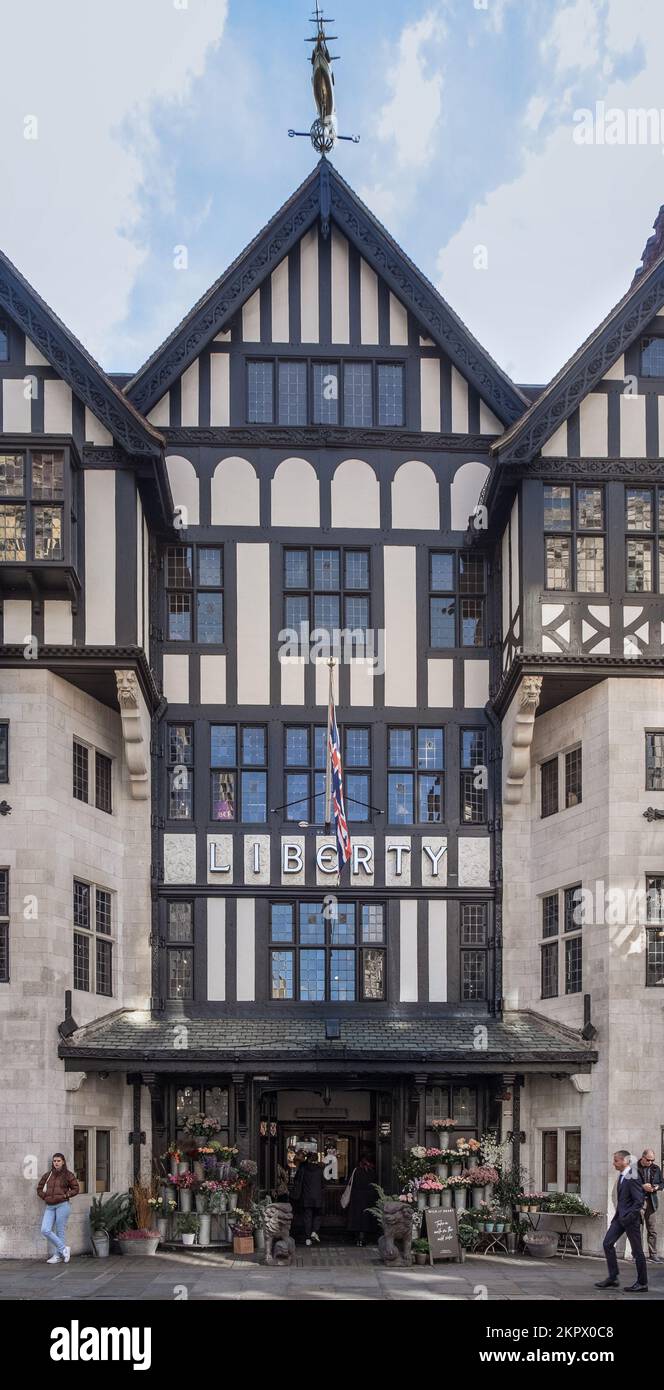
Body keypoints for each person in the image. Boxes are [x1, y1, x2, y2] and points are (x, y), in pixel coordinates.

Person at [595, 1150, 648, 1292]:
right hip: (620, 1218)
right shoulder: (622, 1175)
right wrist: (620, 1216)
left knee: (637, 1252)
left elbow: (639, 1201)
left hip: (630, 1219)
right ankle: (613, 1278)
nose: (614, 1163)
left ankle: (642, 1283)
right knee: (607, 1243)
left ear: (626, 1161)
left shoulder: (633, 1176)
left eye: (616, 1160)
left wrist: (629, 1216)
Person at [36, 1152, 79, 1264]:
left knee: (60, 1231)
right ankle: (64, 1249)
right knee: (45, 1229)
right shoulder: (47, 1175)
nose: (56, 1163)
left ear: (63, 1162)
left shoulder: (68, 1175)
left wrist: (66, 1195)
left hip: (62, 1205)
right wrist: (45, 1197)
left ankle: (58, 1255)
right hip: (49, 1206)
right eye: (54, 1161)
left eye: (58, 1161)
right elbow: (39, 1188)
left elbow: (76, 1188)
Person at [345, 1149, 378, 1247]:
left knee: (357, 1218)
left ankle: (358, 1239)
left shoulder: (356, 1170)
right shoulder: (372, 1171)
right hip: (368, 1198)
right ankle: (363, 1238)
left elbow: (351, 1183)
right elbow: (374, 1185)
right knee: (365, 1219)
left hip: (357, 1198)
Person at [637, 1148, 663, 1262]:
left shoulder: (656, 1168)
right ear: (643, 1157)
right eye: (648, 1160)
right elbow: (629, 1185)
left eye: (652, 1160)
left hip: (651, 1201)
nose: (650, 1162)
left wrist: (656, 1187)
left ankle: (653, 1254)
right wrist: (642, 1186)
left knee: (652, 1229)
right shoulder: (634, 1168)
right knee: (638, 1229)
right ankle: (637, 1254)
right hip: (639, 1201)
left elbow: (662, 1183)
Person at [292, 1151, 323, 1246]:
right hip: (317, 1197)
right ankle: (314, 1231)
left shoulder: (303, 1169)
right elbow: (323, 1184)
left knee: (307, 1218)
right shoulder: (320, 1169)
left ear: (308, 1159)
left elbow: (296, 1180)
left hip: (306, 1197)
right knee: (318, 1215)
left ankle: (307, 1238)